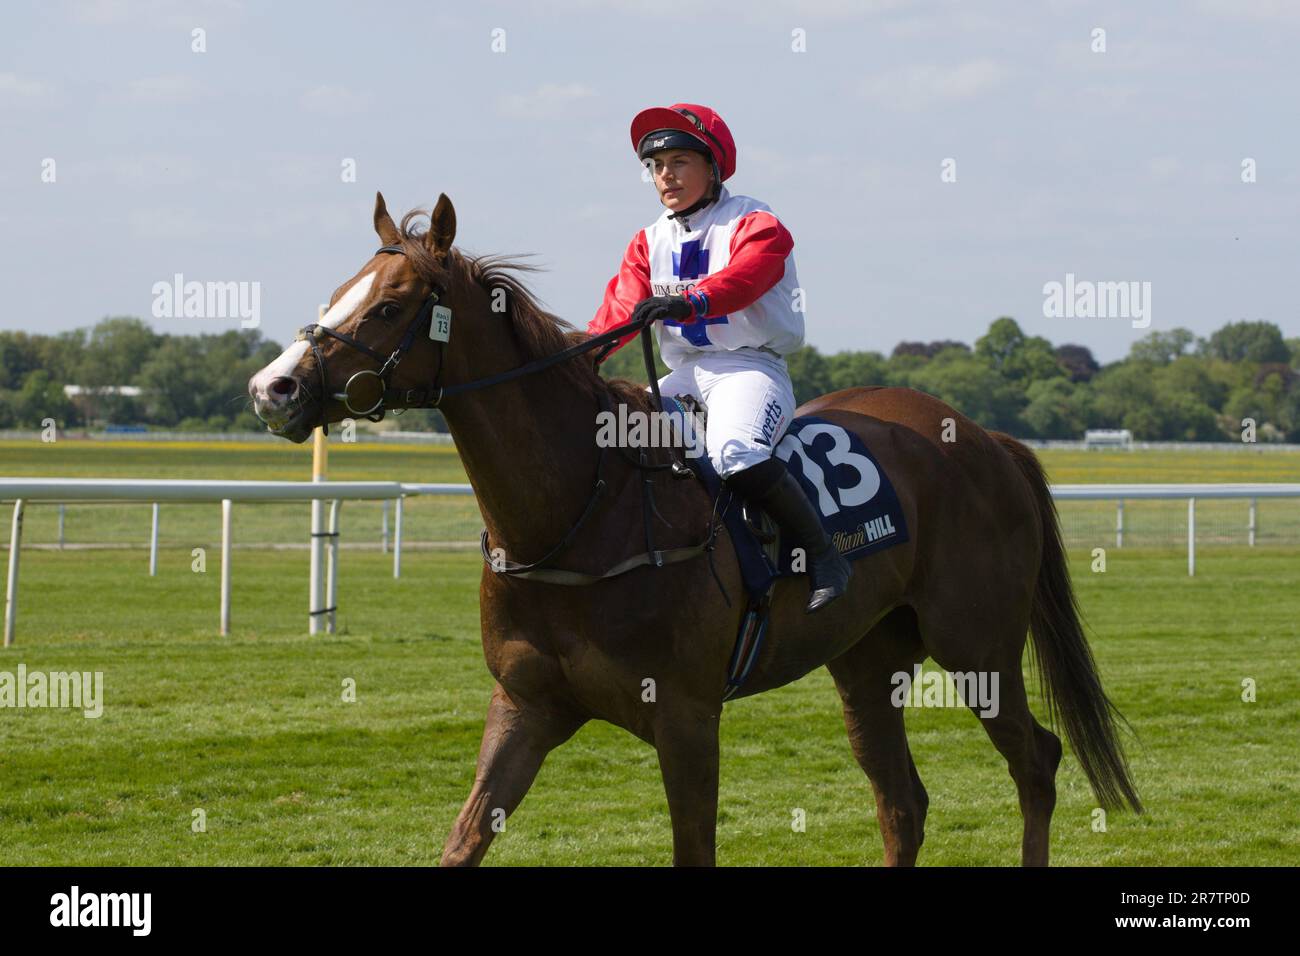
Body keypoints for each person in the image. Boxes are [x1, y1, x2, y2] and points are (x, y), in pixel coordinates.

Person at [587, 103, 851, 613]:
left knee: (736, 452)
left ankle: (826, 557)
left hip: (749, 368)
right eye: (656, 167)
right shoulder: (647, 240)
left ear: (713, 167)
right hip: (683, 374)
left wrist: (692, 301)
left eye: (680, 161)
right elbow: (618, 312)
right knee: (611, 437)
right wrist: (579, 359)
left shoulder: (756, 221)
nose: (666, 175)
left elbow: (747, 276)